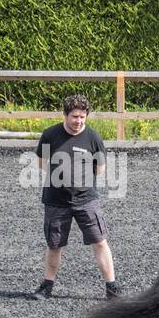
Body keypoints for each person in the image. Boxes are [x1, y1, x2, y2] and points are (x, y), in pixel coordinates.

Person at [29, 94, 121, 301]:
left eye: (82, 117)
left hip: (86, 200)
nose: (78, 121)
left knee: (100, 242)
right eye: (74, 116)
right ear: (65, 115)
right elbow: (41, 163)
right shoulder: (50, 135)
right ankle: (46, 287)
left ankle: (112, 289)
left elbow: (100, 169)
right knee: (54, 245)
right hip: (56, 200)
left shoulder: (93, 137)